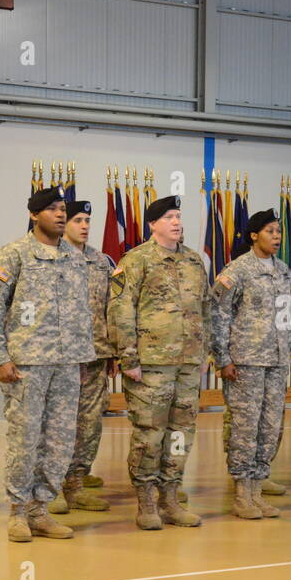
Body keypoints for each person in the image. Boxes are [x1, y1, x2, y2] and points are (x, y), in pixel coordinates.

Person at [0, 185, 93, 542]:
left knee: (59, 441)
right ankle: (18, 512)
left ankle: (42, 508)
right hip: (26, 365)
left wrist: (82, 356)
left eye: (62, 209)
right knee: (24, 441)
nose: (60, 215)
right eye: (52, 209)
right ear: (34, 214)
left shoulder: (75, 259)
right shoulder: (15, 255)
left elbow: (81, 313)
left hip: (67, 364)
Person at [111, 195, 210, 529]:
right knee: (150, 435)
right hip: (151, 364)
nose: (177, 222)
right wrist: (129, 358)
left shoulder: (195, 261)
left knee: (181, 433)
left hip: (187, 363)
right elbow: (121, 309)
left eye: (179, 216)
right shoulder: (136, 260)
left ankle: (171, 497)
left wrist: (203, 353)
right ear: (153, 224)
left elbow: (205, 310)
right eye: (169, 217)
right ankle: (147, 503)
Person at [211, 209, 291, 519]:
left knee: (270, 427)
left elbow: (287, 315)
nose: (276, 236)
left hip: (276, 361)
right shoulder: (238, 270)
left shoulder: (283, 270)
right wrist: (223, 359)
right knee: (245, 428)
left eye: (279, 231)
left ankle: (258, 489)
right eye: (270, 231)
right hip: (245, 362)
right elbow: (218, 314)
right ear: (254, 235)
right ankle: (242, 492)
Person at [50, 198, 116, 515]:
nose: (85, 226)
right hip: (60, 358)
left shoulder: (102, 261)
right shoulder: (51, 257)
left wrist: (114, 349)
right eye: (78, 220)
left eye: (88, 221)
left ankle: (76, 485)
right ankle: (50, 489)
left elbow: (112, 308)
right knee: (58, 423)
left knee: (89, 425)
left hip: (95, 356)